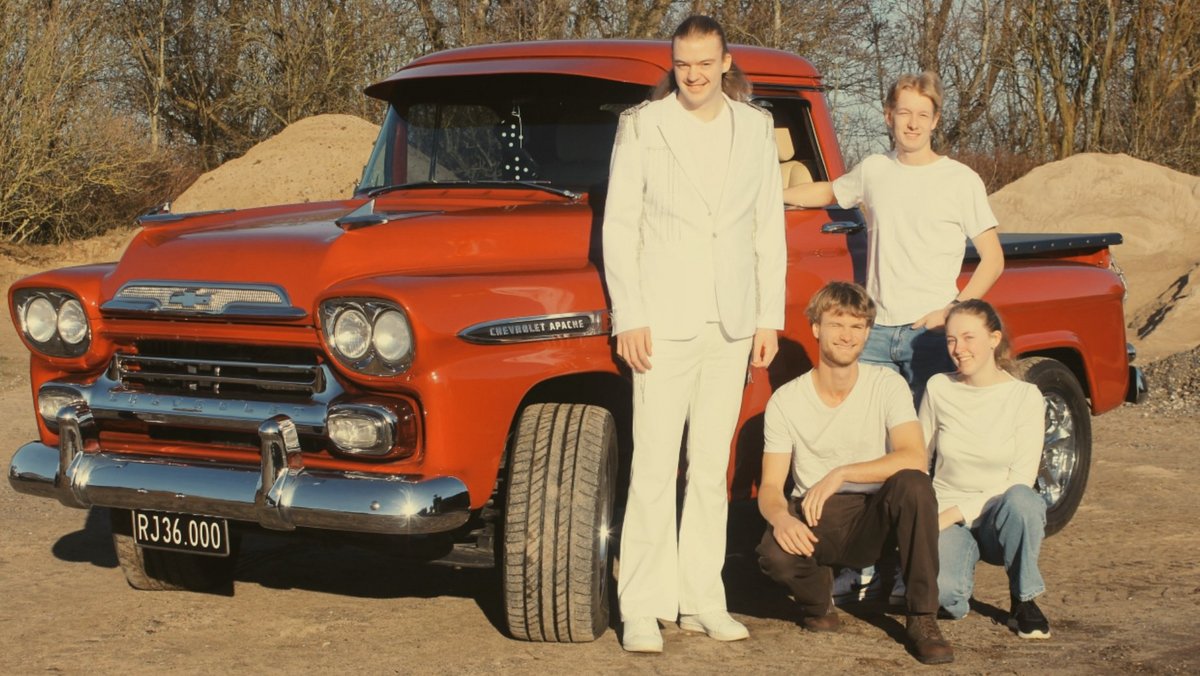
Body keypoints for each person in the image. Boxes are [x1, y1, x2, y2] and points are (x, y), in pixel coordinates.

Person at [601, 15, 786, 653]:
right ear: (672, 64)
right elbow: (620, 226)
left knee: (709, 469)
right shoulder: (643, 125)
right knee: (653, 466)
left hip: (732, 322)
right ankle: (643, 607)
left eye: (706, 62)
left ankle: (702, 597)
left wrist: (769, 316)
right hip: (662, 322)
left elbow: (768, 226)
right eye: (684, 64)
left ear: (726, 62)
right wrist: (630, 316)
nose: (695, 74)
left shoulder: (756, 127)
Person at [756, 281, 955, 665]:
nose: (847, 336)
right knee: (773, 553)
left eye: (857, 326)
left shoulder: (886, 384)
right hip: (818, 515)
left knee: (913, 485)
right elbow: (769, 486)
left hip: (874, 515)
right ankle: (819, 601)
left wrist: (841, 473)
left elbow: (914, 456)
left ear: (867, 332)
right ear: (816, 328)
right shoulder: (786, 400)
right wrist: (780, 518)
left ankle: (922, 617)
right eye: (837, 324)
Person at [784, 71, 1004, 405]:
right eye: (904, 113)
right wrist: (771, 194)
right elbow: (829, 191)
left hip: (929, 333)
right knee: (873, 436)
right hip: (876, 332)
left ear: (935, 121)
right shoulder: (874, 169)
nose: (913, 124)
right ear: (889, 116)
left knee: (927, 438)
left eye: (922, 115)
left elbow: (993, 260)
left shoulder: (960, 180)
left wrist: (951, 312)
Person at [921, 299, 1051, 639]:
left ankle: (1024, 599)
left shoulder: (1025, 397)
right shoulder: (938, 387)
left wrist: (951, 514)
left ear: (994, 339)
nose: (958, 349)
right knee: (944, 599)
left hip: (998, 515)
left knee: (1025, 501)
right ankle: (955, 579)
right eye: (950, 339)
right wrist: (921, 515)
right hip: (946, 511)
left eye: (968, 338)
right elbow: (919, 458)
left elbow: (1020, 481)